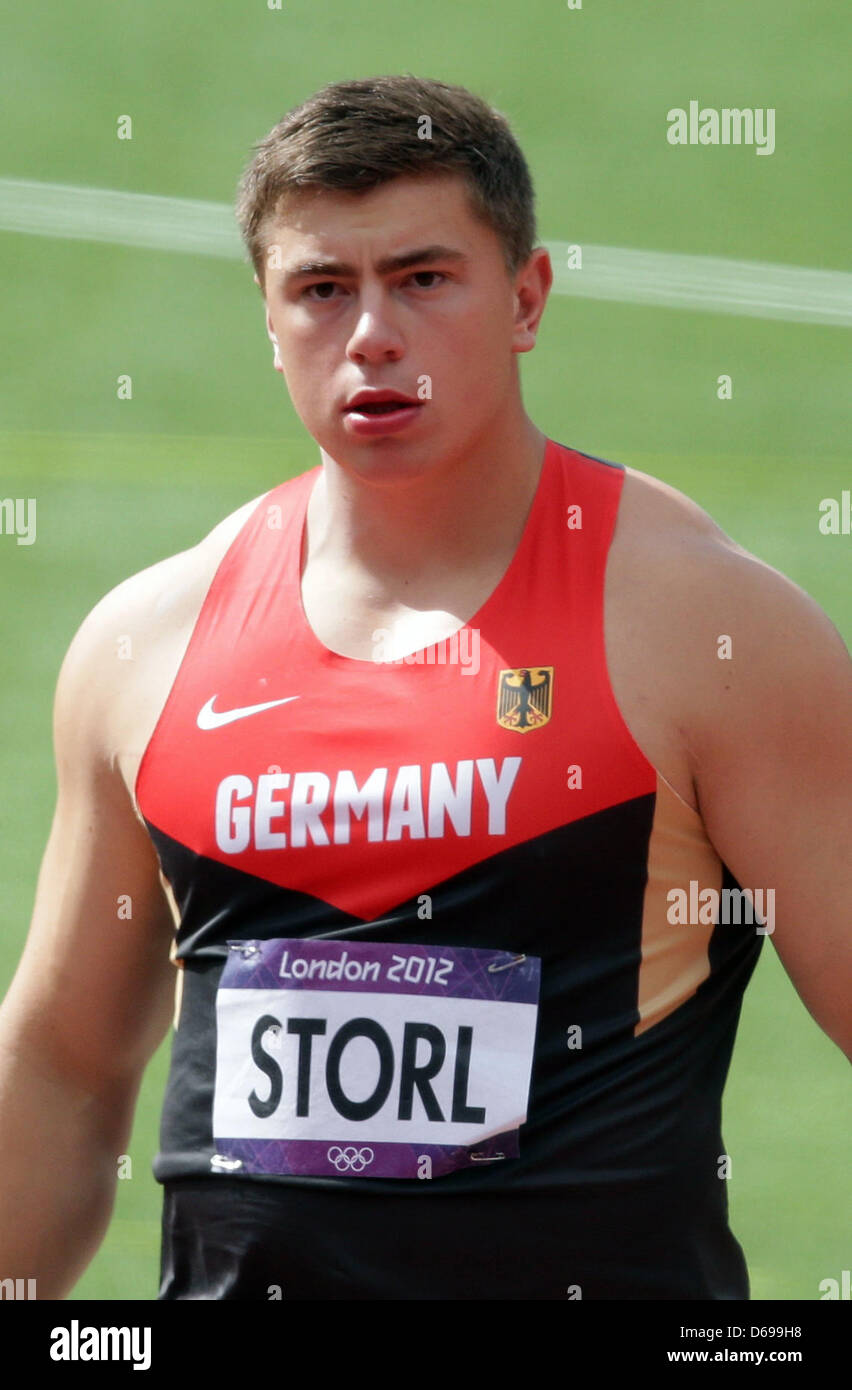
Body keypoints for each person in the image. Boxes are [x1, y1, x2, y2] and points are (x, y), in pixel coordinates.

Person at [0, 74, 849, 1302]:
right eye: (321, 290)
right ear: (268, 315)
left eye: (423, 278)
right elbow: (64, 1066)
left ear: (527, 297)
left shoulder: (706, 628)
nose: (372, 338)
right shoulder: (146, 644)